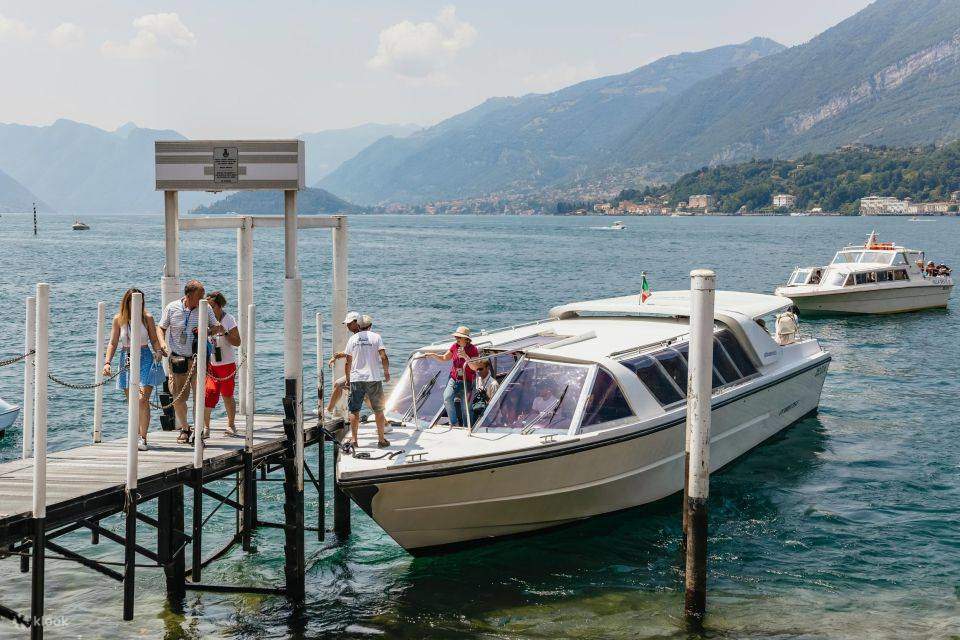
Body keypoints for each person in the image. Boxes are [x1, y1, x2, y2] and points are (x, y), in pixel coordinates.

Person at [158, 280, 224, 444]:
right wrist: (163, 343)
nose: (203, 298)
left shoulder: (205, 308)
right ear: (188, 295)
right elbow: (161, 328)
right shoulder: (172, 307)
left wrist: (207, 330)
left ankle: (198, 430)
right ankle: (185, 428)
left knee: (199, 396)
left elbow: (216, 327)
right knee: (178, 397)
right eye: (200, 295)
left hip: (198, 359)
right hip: (178, 359)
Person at [102, 288, 167, 451]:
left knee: (142, 400)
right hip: (126, 357)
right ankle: (136, 434)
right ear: (127, 302)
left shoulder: (147, 318)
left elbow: (153, 339)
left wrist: (159, 350)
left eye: (141, 300)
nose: (139, 304)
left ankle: (143, 437)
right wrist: (107, 362)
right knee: (132, 401)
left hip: (145, 356)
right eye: (134, 300)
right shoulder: (119, 319)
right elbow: (113, 342)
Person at [335, 315, 390, 447]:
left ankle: (354, 440)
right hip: (374, 378)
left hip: (356, 378)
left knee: (354, 410)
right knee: (378, 411)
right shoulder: (376, 337)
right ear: (370, 326)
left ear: (358, 326)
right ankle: (381, 440)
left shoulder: (352, 339)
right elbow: (383, 356)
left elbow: (348, 361)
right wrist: (386, 372)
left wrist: (348, 379)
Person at [203, 292, 242, 437]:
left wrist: (224, 332)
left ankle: (231, 425)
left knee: (227, 394)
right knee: (209, 394)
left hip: (227, 364)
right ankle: (206, 427)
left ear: (218, 306)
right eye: (207, 307)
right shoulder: (205, 319)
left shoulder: (229, 319)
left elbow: (237, 342)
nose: (209, 310)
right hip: (211, 364)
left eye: (211, 306)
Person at [426, 326, 480, 427]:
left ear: (466, 339)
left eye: (459, 337)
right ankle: (454, 424)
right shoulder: (454, 346)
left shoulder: (473, 349)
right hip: (454, 378)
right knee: (447, 397)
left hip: (467, 381)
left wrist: (465, 356)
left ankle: (467, 426)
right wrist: (434, 355)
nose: (457, 339)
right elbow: (444, 358)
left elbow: (475, 367)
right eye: (456, 337)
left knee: (465, 407)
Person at [324, 311, 362, 420]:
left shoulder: (355, 338)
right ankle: (329, 411)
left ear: (356, 322)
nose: (348, 326)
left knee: (367, 399)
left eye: (350, 323)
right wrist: (336, 356)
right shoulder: (362, 336)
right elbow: (349, 352)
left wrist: (348, 378)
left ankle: (385, 423)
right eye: (347, 324)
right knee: (368, 399)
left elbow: (348, 358)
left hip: (359, 375)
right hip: (364, 373)